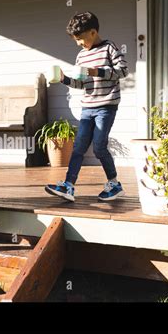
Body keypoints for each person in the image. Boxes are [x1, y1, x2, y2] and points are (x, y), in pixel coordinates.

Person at [45, 11, 129, 202]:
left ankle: (114, 184)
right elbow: (81, 83)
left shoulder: (109, 48)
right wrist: (64, 79)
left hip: (106, 105)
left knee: (99, 147)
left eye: (81, 39)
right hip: (87, 107)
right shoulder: (81, 56)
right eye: (76, 40)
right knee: (79, 147)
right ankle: (68, 185)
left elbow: (123, 71)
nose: (79, 44)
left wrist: (96, 71)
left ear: (93, 32)